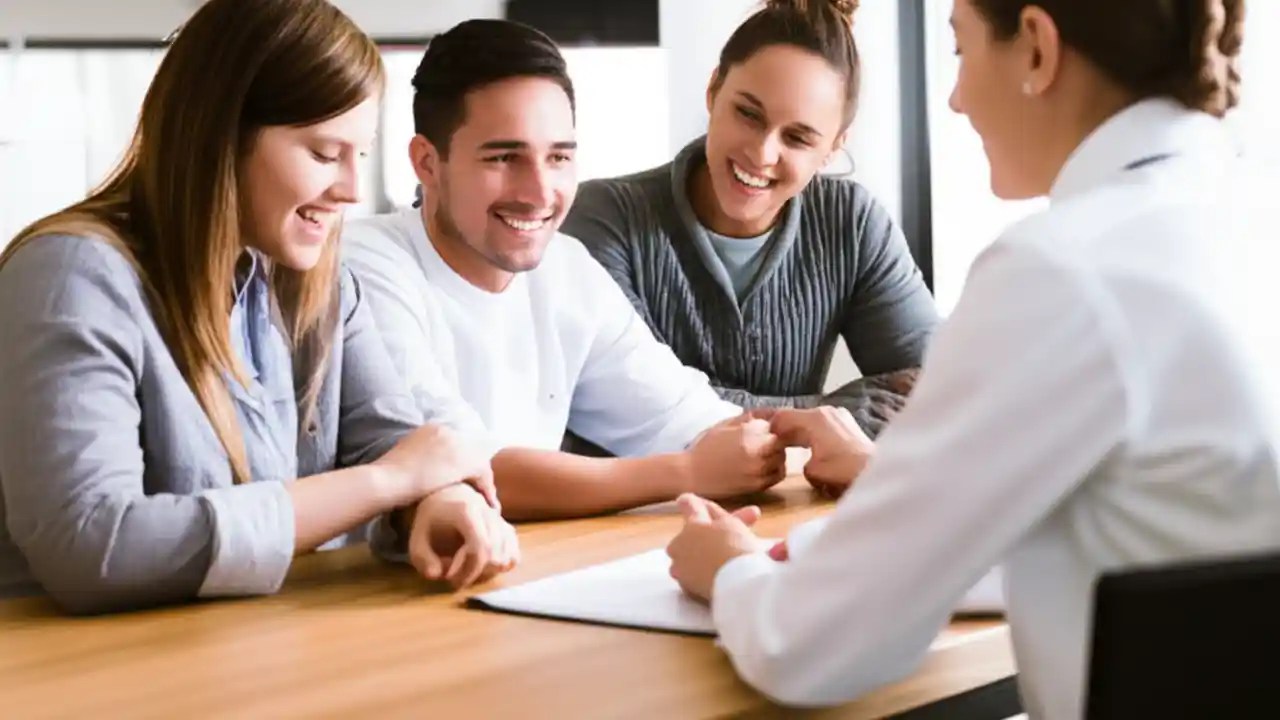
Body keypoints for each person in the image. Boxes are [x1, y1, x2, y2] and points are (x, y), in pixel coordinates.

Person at [665, 1, 1277, 717]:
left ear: (1038, 50)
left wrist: (732, 570)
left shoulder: (1062, 270)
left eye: (958, 50)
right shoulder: (1247, 219)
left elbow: (806, 647)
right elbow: (1139, 533)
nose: (955, 99)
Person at [0, 0, 518, 615]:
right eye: (325, 154)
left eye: (361, 152)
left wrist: (441, 504)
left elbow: (394, 441)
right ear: (221, 137)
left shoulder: (320, 282)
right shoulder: (73, 275)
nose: (352, 188)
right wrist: (390, 484)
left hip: (251, 648)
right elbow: (91, 546)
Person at [344, 19, 790, 521]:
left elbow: (687, 417)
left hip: (520, 570)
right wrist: (686, 473)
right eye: (505, 157)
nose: (539, 193)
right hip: (378, 587)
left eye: (558, 157)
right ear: (427, 163)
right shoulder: (363, 266)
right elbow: (452, 469)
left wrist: (788, 441)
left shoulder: (567, 267)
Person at [562, 0, 939, 446]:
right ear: (713, 90)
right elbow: (622, 402)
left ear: (833, 147)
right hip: (632, 511)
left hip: (790, 507)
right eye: (748, 114)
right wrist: (824, 417)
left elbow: (937, 388)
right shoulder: (604, 217)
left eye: (797, 137)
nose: (762, 154)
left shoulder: (853, 225)